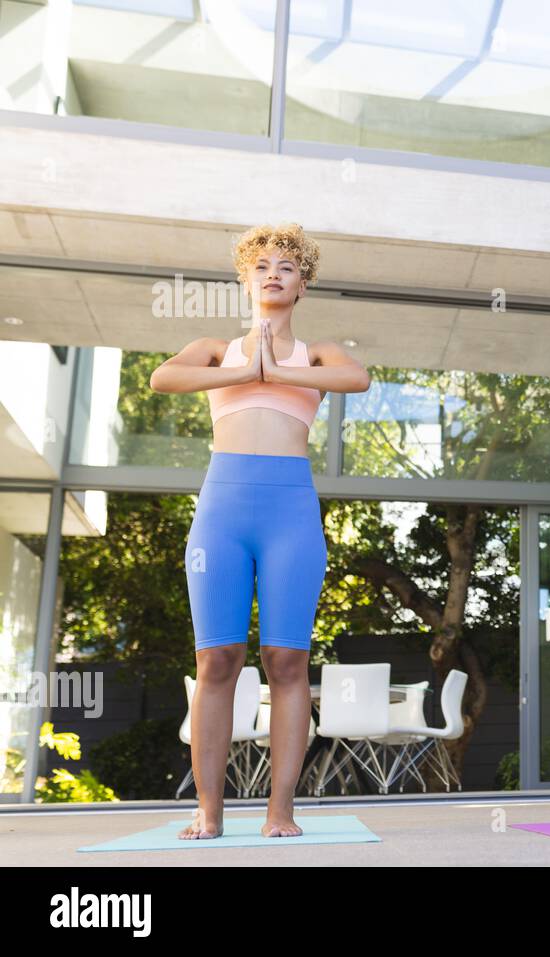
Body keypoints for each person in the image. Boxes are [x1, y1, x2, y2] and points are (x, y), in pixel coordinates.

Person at [150, 224, 370, 838]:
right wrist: (248, 371)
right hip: (223, 508)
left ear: (302, 286)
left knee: (287, 660)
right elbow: (162, 378)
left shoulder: (319, 353)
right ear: (246, 281)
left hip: (289, 511)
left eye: (288, 267)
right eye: (262, 265)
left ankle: (281, 810)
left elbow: (359, 379)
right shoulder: (216, 349)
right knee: (217, 658)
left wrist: (278, 373)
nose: (274, 272)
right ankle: (209, 810)